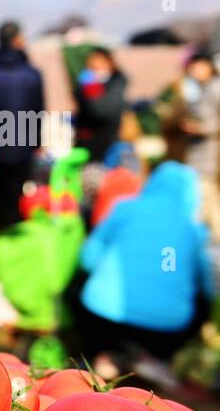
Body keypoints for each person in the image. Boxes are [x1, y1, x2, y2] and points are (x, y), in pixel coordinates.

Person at [69, 160, 213, 369]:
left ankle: (99, 355)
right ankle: (154, 360)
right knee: (202, 300)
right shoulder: (192, 229)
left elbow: (88, 258)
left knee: (79, 283)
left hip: (102, 318)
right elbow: (205, 284)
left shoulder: (126, 209)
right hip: (164, 331)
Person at [0, 20, 46, 253]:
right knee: (14, 199)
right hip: (21, 145)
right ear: (17, 40)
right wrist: (36, 142)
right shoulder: (32, 74)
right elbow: (38, 110)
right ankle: (14, 251)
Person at [161, 53, 220, 230]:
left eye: (199, 66)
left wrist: (201, 128)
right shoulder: (201, 89)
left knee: (204, 198)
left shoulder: (215, 88)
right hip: (200, 152)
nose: (195, 71)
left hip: (209, 154)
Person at [73, 46, 127, 163]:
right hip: (84, 142)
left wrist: (91, 87)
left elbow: (100, 111)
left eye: (98, 61)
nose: (95, 66)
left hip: (107, 144)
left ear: (109, 63)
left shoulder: (115, 84)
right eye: (91, 63)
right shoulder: (84, 84)